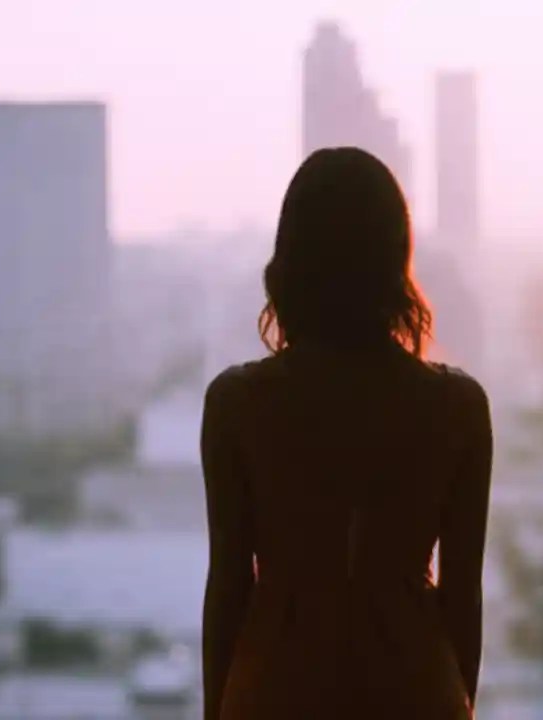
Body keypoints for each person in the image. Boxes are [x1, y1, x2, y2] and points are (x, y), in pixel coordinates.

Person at [200, 147, 493, 719]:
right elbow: (463, 599)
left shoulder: (237, 404)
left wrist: (216, 711)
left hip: (277, 689)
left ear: (288, 263)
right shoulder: (457, 408)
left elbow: (229, 588)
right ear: (396, 261)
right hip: (413, 688)